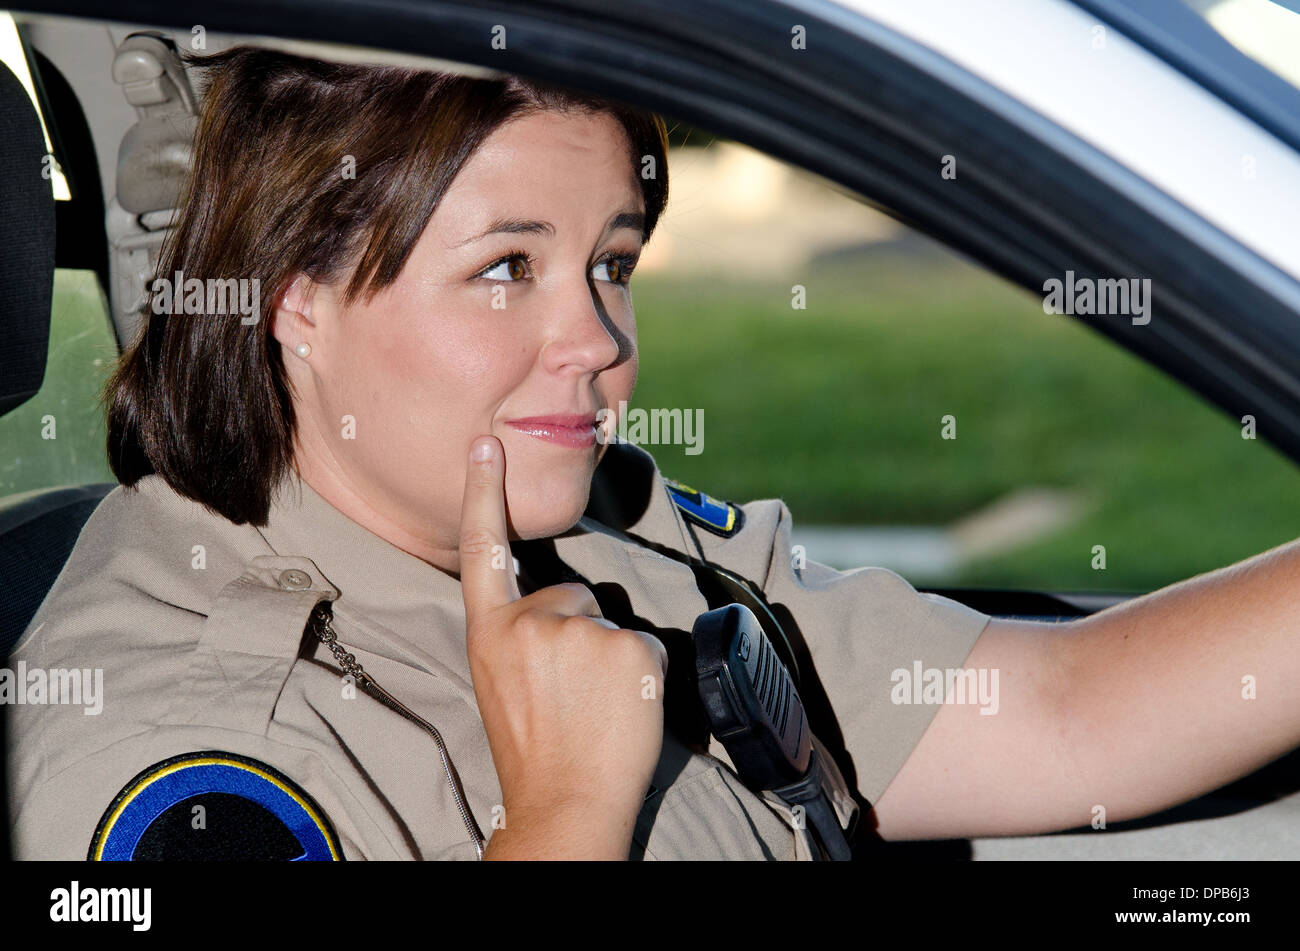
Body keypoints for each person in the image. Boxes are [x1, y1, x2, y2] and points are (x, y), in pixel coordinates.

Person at [7, 45, 1296, 861]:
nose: (600, 342)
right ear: (294, 296)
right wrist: (566, 816)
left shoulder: (596, 541)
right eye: (506, 268)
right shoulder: (180, 738)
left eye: (611, 263)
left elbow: (1065, 722)